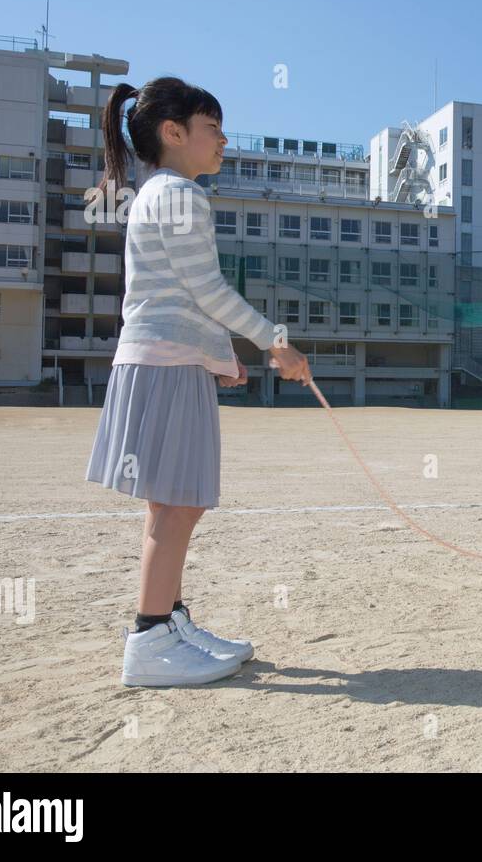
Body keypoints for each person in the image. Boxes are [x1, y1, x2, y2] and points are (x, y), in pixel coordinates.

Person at [85, 76, 312, 686]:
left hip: (168, 361)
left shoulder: (160, 193)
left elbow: (180, 298)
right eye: (213, 128)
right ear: (174, 132)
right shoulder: (180, 195)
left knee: (177, 502)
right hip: (161, 366)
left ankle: (169, 622)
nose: (223, 140)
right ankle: (152, 637)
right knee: (178, 503)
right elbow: (208, 291)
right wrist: (275, 341)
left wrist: (220, 358)